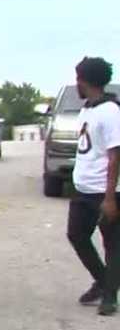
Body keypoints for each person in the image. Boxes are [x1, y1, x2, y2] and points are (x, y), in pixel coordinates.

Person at [66, 57, 120, 316]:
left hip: (105, 191)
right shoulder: (87, 109)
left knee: (112, 243)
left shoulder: (111, 111)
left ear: (86, 81)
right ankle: (103, 280)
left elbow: (114, 156)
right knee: (76, 234)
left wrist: (110, 198)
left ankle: (110, 296)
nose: (76, 83)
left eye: (78, 78)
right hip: (83, 188)